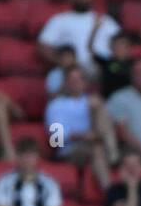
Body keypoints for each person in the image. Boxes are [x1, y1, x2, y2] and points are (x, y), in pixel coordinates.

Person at [44, 63, 117, 193]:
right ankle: (109, 192)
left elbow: (104, 128)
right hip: (70, 150)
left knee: (99, 106)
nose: (76, 83)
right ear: (65, 83)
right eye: (72, 80)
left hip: (96, 140)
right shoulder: (56, 105)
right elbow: (56, 140)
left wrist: (94, 113)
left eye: (79, 79)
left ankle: (113, 156)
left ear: (85, 82)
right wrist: (81, 136)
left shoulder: (92, 101)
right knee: (97, 149)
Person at [36, 0, 119, 78]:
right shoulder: (59, 20)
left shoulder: (105, 20)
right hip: (71, 73)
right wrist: (62, 62)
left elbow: (121, 45)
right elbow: (43, 46)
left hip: (103, 71)